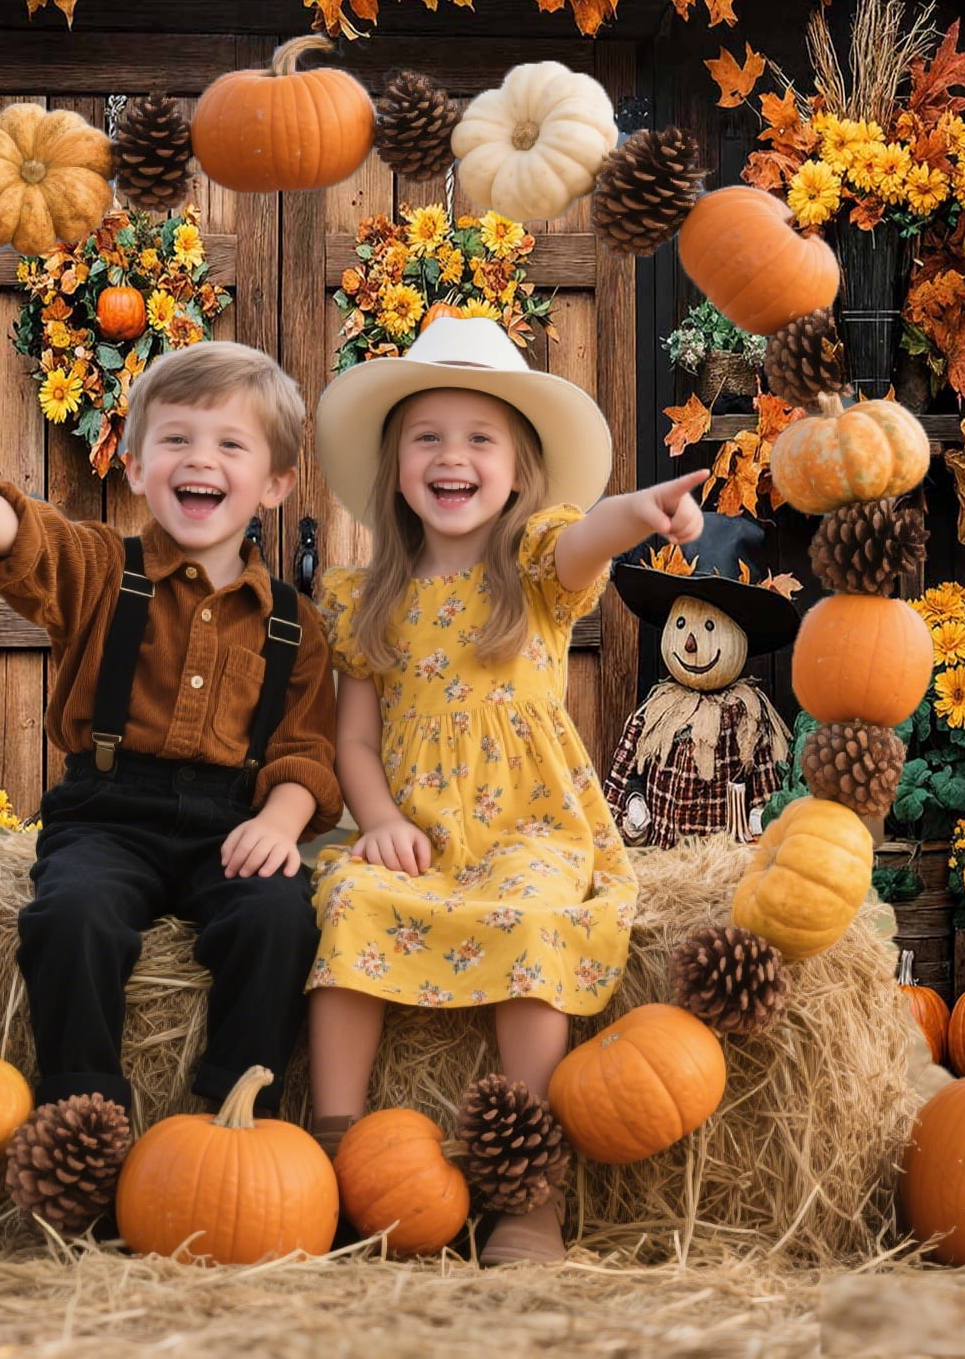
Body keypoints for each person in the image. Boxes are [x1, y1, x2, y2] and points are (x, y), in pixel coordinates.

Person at [0, 342, 340, 1224]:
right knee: (70, 914)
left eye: (232, 447)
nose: (201, 460)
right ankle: (84, 1117)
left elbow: (306, 751)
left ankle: (239, 1113)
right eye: (176, 441)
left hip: (230, 820)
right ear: (135, 466)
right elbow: (26, 537)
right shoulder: (102, 571)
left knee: (277, 918)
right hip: (106, 813)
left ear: (274, 483)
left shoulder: (293, 627)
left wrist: (281, 819)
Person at [307, 317, 706, 1266]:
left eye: (480, 438)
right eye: (428, 438)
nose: (454, 458)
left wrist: (642, 508)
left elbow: (591, 541)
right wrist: (380, 822)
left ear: (521, 470)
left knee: (531, 922)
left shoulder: (535, 569)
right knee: (353, 904)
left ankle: (527, 1190)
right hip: (419, 832)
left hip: (531, 828)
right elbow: (353, 739)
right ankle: (331, 1155)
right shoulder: (360, 597)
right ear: (397, 467)